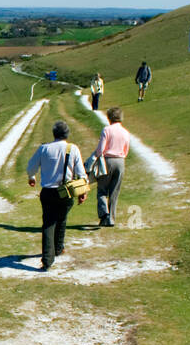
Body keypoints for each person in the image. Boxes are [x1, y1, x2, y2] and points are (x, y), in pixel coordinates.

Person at [26, 120, 87, 270]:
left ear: (54, 134)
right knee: (62, 218)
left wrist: (32, 177)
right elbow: (81, 173)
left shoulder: (44, 148)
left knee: (48, 223)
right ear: (67, 134)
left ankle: (47, 259)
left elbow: (31, 167)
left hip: (47, 191)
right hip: (66, 191)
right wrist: (82, 192)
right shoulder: (72, 149)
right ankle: (58, 248)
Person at [89, 107, 130, 227]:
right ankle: (111, 218)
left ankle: (103, 215)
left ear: (109, 117)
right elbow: (126, 150)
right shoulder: (125, 132)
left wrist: (93, 159)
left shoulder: (107, 130)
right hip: (120, 161)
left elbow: (100, 149)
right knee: (114, 191)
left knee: (102, 189)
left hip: (107, 160)